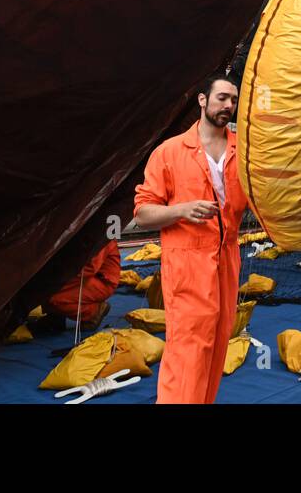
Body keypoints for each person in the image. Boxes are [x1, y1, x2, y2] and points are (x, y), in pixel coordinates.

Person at [134, 74, 247, 404]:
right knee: (188, 350)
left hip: (226, 261)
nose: (228, 105)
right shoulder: (169, 153)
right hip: (187, 265)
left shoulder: (245, 153)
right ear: (202, 100)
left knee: (217, 344)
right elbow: (142, 214)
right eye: (222, 97)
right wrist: (182, 210)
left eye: (233, 100)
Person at [45, 239, 121, 330]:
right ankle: (55, 316)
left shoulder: (101, 235)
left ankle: (93, 312)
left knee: (51, 296)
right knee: (46, 288)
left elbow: (89, 268)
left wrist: (56, 280)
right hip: (85, 275)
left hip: (101, 281)